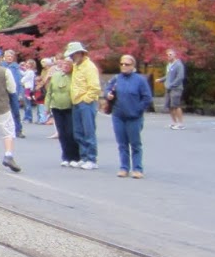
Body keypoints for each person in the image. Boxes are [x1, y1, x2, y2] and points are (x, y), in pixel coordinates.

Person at [105, 53, 154, 177]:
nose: (124, 66)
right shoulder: (117, 78)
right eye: (121, 64)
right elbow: (108, 89)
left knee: (135, 144)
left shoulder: (140, 80)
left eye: (127, 64)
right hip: (118, 116)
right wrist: (108, 95)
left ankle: (137, 169)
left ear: (133, 66)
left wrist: (138, 110)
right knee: (122, 144)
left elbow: (147, 97)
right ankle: (124, 167)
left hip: (134, 117)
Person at [66, 41, 102, 170]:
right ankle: (84, 157)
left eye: (73, 54)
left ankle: (92, 159)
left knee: (88, 131)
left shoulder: (89, 67)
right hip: (76, 102)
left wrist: (86, 99)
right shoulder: (77, 66)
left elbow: (95, 87)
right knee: (78, 132)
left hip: (86, 103)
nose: (71, 57)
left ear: (80, 53)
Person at [43, 56, 79, 165]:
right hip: (56, 107)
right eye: (64, 64)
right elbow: (49, 92)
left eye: (68, 65)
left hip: (70, 108)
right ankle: (65, 157)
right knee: (62, 133)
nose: (66, 66)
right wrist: (47, 106)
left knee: (70, 133)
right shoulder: (56, 76)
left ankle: (75, 157)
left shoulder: (75, 76)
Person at [3, 48, 26, 138]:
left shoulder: (16, 67)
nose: (9, 58)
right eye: (8, 56)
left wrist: (21, 93)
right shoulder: (1, 66)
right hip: (3, 92)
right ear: (4, 57)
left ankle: (18, 130)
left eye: (11, 56)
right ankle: (7, 130)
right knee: (4, 113)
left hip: (14, 92)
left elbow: (20, 81)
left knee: (16, 112)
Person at [164, 48, 186, 129]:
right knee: (170, 106)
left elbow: (180, 77)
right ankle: (174, 122)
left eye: (170, 54)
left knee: (176, 105)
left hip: (176, 88)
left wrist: (172, 85)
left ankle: (180, 124)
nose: (168, 56)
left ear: (175, 55)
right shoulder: (169, 65)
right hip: (168, 88)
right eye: (167, 55)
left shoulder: (178, 65)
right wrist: (161, 79)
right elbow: (168, 76)